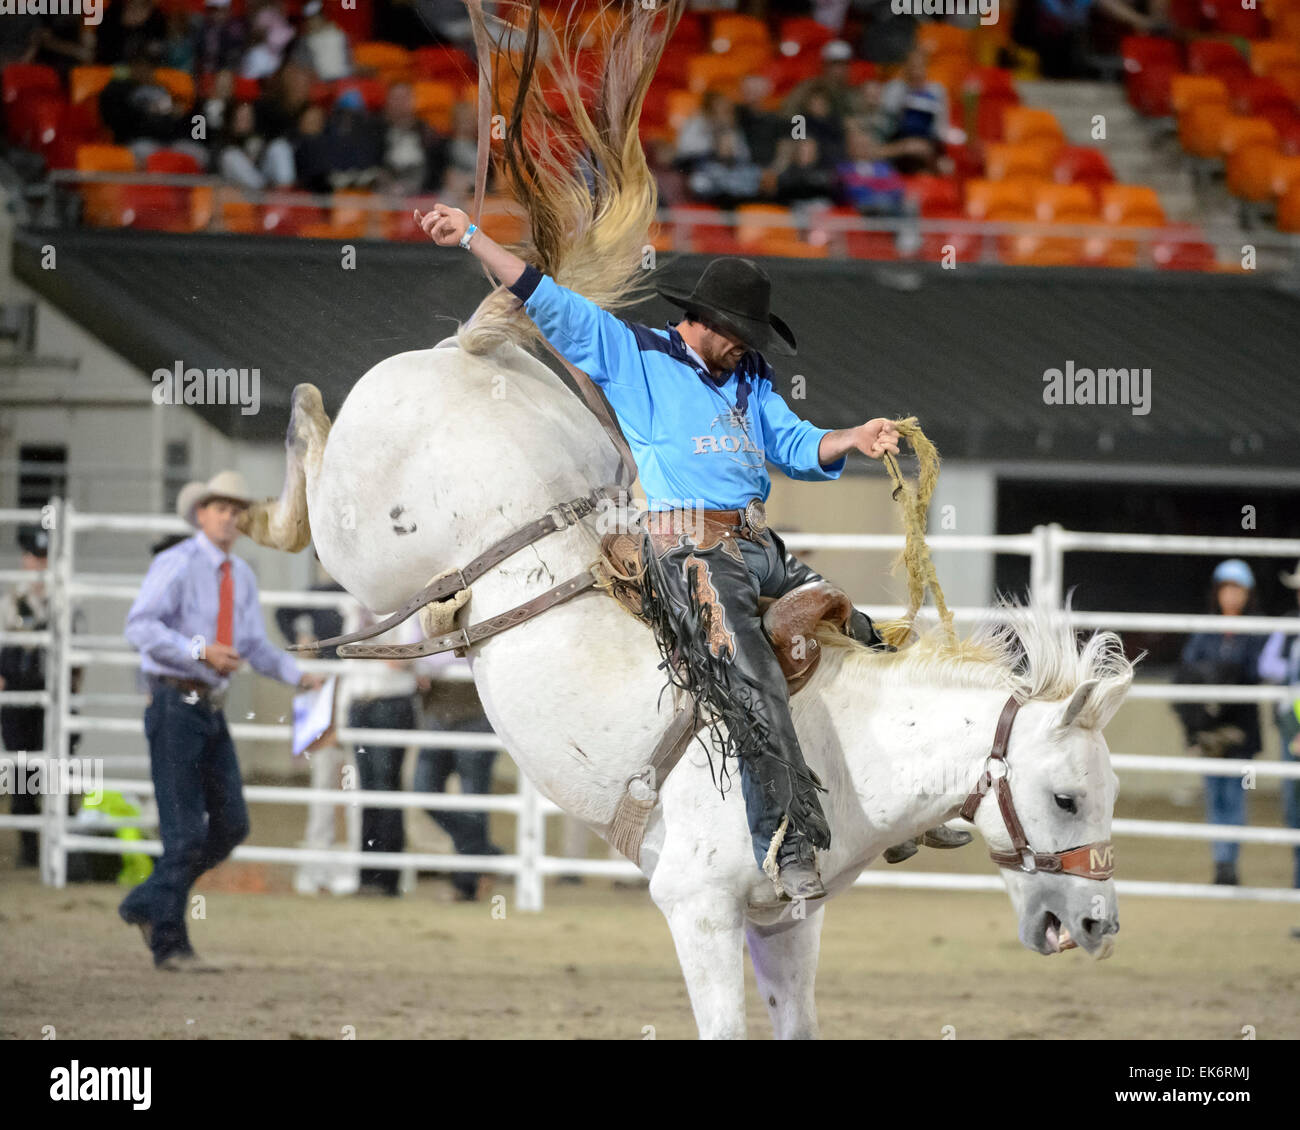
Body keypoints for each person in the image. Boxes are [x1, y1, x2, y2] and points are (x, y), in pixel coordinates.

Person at [413, 204, 972, 901]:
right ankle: (786, 839)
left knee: (864, 639)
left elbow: (794, 444)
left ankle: (907, 804)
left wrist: (851, 437)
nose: (745, 346)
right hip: (689, 552)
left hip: (756, 543)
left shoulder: (749, 377)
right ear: (704, 323)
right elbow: (538, 292)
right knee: (752, 679)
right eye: (738, 334)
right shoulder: (632, 352)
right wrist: (471, 236)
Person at [118, 471, 322, 969]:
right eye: (221, 508)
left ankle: (146, 901)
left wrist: (299, 675)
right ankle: (169, 940)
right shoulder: (177, 563)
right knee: (185, 831)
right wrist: (198, 649)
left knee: (231, 824)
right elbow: (140, 625)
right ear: (201, 514)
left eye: (236, 509)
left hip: (209, 705)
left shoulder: (242, 576)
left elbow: (252, 645)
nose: (229, 516)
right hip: (174, 701)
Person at [1173, 558, 1266, 887]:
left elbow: (1254, 673)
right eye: (1226, 589)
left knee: (1238, 793)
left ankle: (1230, 860)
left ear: (1247, 594)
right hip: (1211, 730)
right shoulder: (1205, 631)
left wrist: (1217, 676)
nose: (1231, 595)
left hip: (1242, 731)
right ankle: (1222, 862)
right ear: (1217, 592)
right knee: (1215, 795)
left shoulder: (1257, 632)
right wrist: (1196, 728)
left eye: (1237, 589)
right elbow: (1188, 675)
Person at [275, 555, 359, 897]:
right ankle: (317, 863)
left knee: (355, 780)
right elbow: (282, 612)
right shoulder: (322, 593)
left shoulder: (371, 596)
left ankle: (356, 862)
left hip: (356, 686)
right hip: (324, 686)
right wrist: (301, 641)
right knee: (325, 777)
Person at [412, 649, 503, 901]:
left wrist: (425, 659)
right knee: (424, 791)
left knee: (472, 799)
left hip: (475, 706)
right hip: (438, 706)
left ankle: (466, 884)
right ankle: (483, 854)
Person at [1259, 557, 1300, 897]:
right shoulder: (1288, 626)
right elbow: (1267, 664)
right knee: (1293, 807)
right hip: (1292, 724)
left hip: (1293, 721)